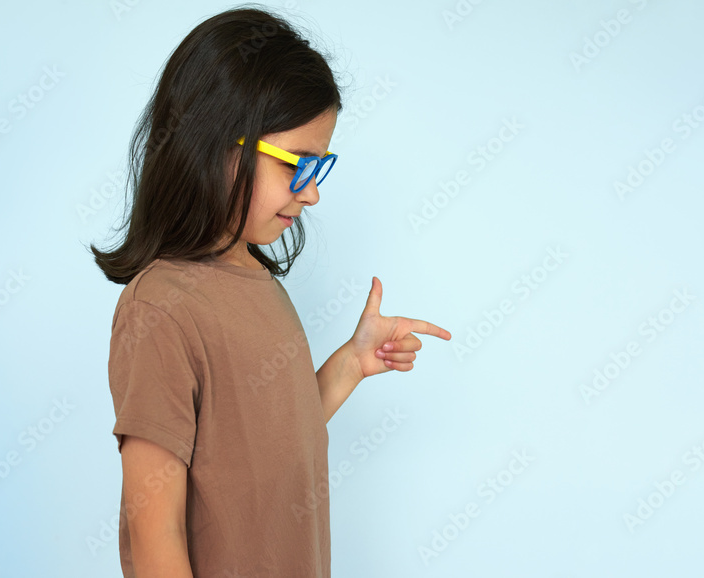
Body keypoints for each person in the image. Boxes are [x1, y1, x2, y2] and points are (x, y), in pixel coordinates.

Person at [87, 6, 451, 577]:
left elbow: (273, 437)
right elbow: (151, 528)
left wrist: (354, 363)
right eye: (296, 166)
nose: (311, 194)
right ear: (215, 142)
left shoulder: (259, 283)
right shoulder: (159, 308)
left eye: (320, 168)